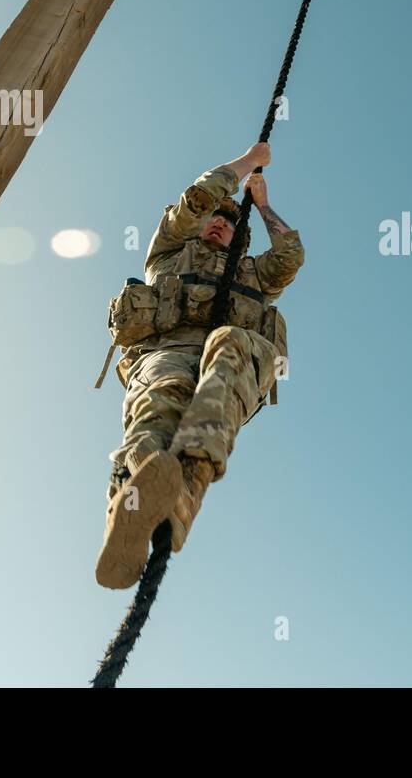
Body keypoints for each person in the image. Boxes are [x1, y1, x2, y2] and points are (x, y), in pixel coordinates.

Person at [96, 141, 304, 589]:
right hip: (164, 353)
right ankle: (133, 507)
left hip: (230, 365)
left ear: (238, 237)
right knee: (156, 406)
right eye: (215, 217)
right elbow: (196, 197)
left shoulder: (251, 274)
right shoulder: (170, 255)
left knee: (231, 342)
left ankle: (180, 498)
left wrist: (264, 206)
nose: (218, 224)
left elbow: (290, 255)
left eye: (230, 224)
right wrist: (247, 163)